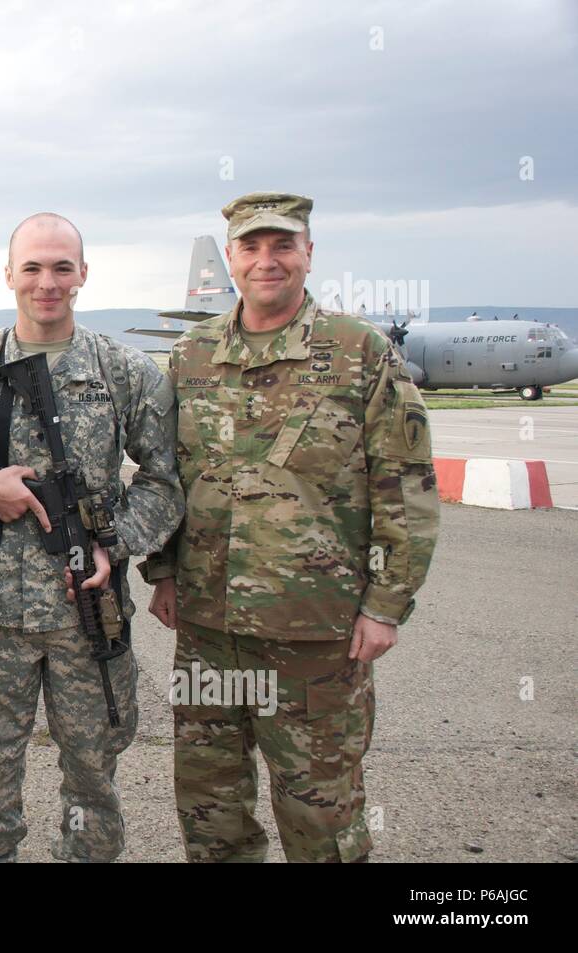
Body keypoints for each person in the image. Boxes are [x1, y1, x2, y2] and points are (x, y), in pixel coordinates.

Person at [145, 191, 440, 862]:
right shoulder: (191, 356)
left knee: (322, 820)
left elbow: (408, 483)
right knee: (210, 813)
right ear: (232, 258)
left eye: (283, 245)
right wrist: (161, 570)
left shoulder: (359, 352)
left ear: (309, 254)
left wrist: (386, 604)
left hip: (316, 636)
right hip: (207, 633)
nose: (267, 260)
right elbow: (164, 473)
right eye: (252, 247)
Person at [0, 213, 184, 862]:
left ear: (84, 274)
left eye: (63, 267)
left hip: (89, 618)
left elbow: (166, 479)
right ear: (9, 274)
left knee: (93, 792)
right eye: (32, 267)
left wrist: (112, 542)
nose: (47, 282)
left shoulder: (126, 372)